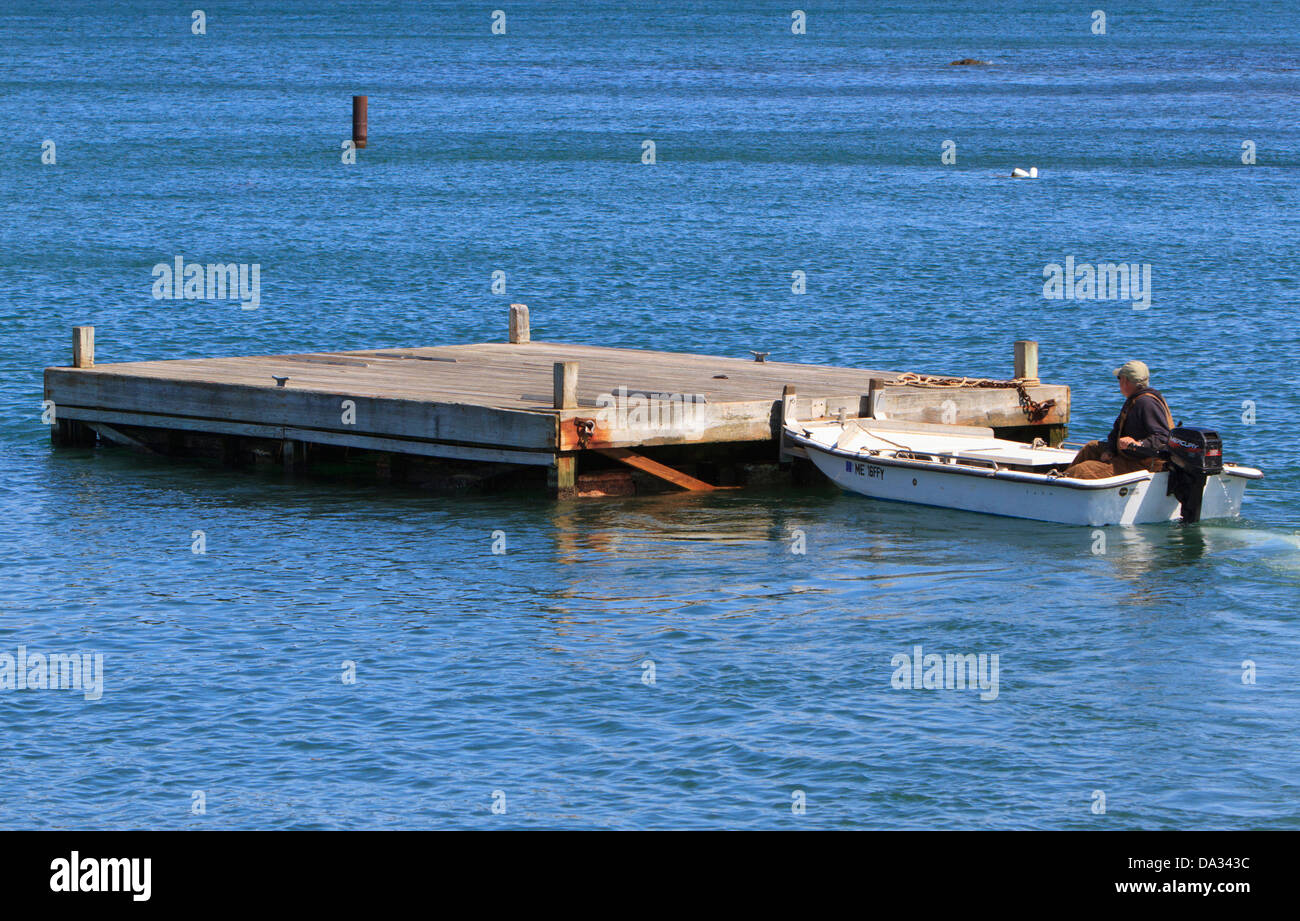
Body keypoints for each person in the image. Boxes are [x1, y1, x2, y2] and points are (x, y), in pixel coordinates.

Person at [1063, 360, 1173, 480]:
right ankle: (1065, 476)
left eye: (1119, 378)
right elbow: (1116, 431)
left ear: (1125, 380)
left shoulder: (1146, 403)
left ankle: (1063, 484)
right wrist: (1111, 450)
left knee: (1083, 470)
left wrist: (1138, 444)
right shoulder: (1134, 400)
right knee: (1091, 447)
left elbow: (1163, 437)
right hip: (1128, 455)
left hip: (1141, 463)